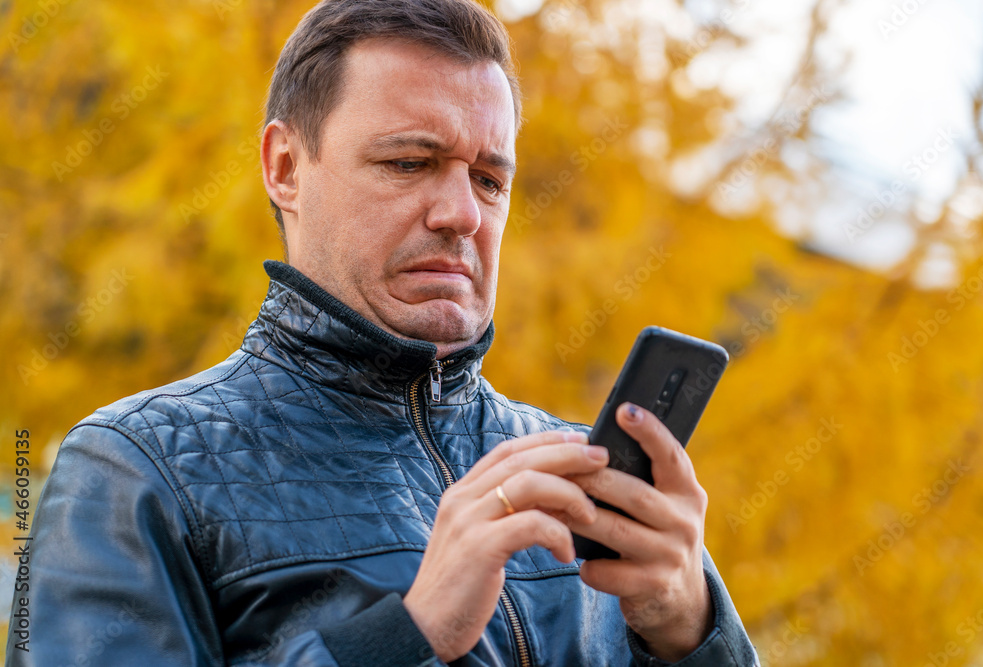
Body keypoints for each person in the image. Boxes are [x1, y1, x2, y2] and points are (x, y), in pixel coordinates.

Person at [7, 1, 760, 664]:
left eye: (490, 179)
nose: (463, 214)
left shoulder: (582, 476)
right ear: (285, 166)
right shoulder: (136, 470)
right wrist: (411, 631)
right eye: (410, 161)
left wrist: (691, 632)